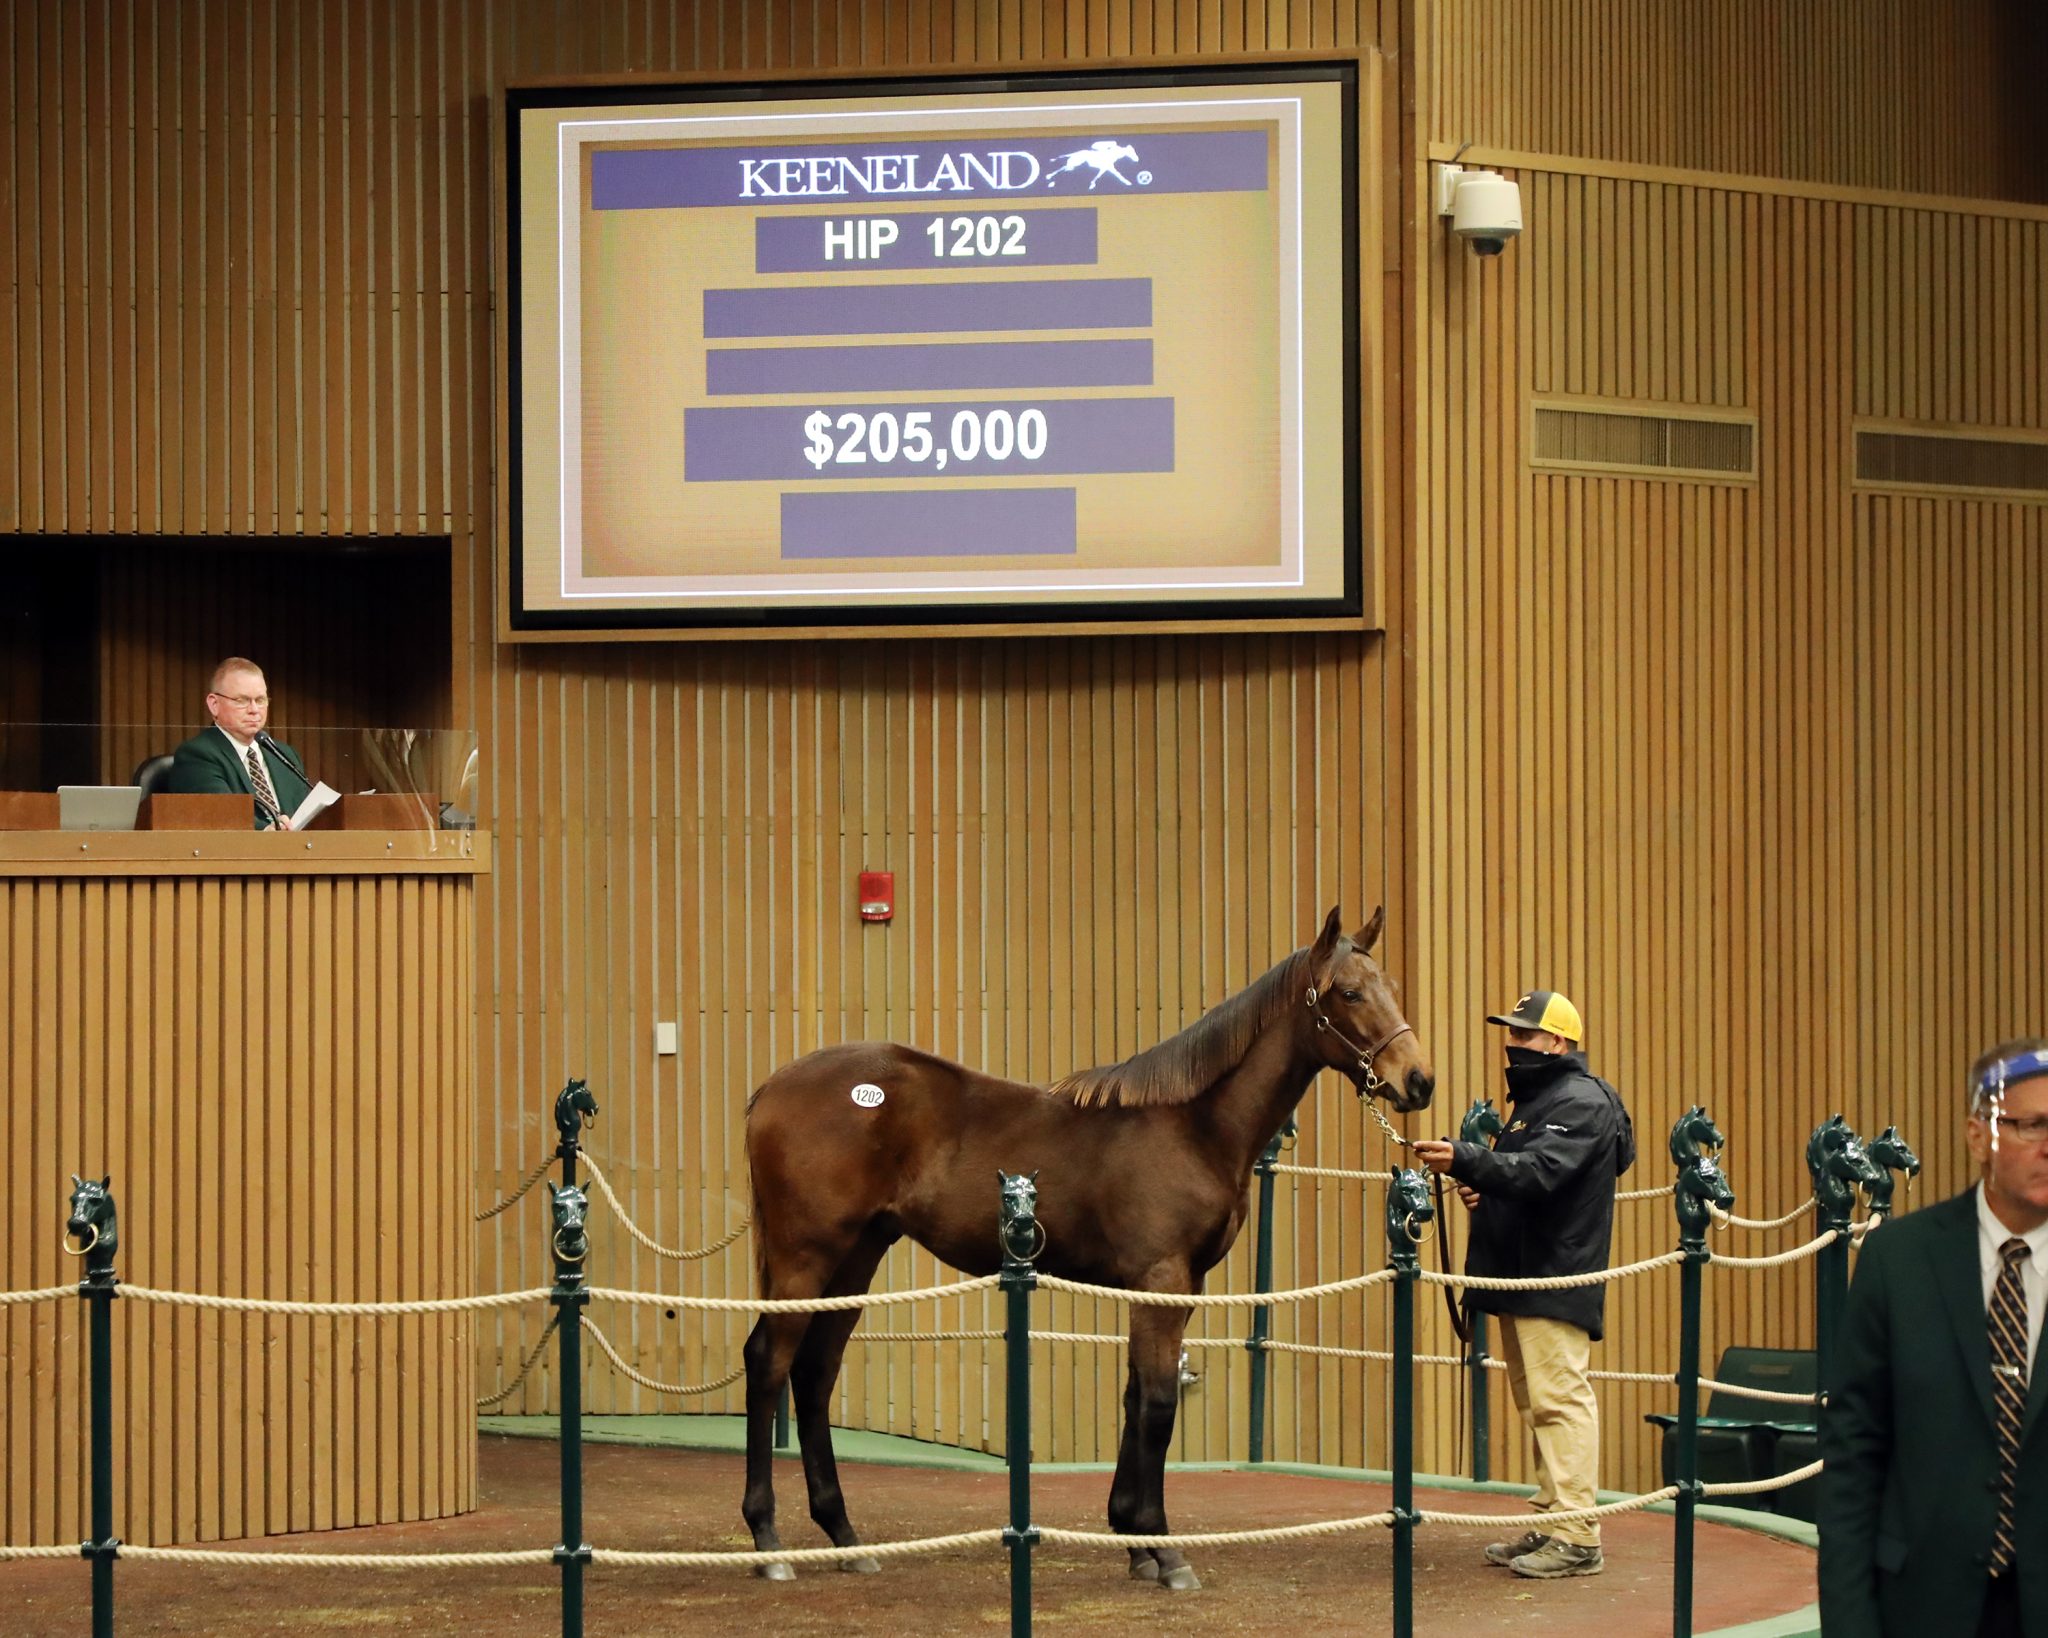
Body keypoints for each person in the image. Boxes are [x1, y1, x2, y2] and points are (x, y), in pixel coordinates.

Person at [1819, 1038, 2048, 1638]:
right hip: (1923, 1604)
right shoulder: (1900, 1260)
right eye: (2031, 1125)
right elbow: (1852, 1459)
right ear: (1979, 1136)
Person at [1413, 989, 1635, 1580]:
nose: (1512, 1044)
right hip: (1527, 1275)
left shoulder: (1579, 1101)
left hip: (1552, 1276)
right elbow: (1535, 1181)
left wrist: (1466, 1159)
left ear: (1558, 1042)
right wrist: (1485, 1187)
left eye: (1524, 1034)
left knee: (1559, 1400)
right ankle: (1556, 1519)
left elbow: (1539, 1173)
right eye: (1510, 1033)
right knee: (1541, 1403)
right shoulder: (1542, 1100)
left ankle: (1579, 1535)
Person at [167, 657, 314, 830]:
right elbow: (223, 817)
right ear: (214, 704)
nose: (254, 710)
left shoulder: (285, 755)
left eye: (260, 700)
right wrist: (268, 830)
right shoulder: (197, 755)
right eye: (242, 700)